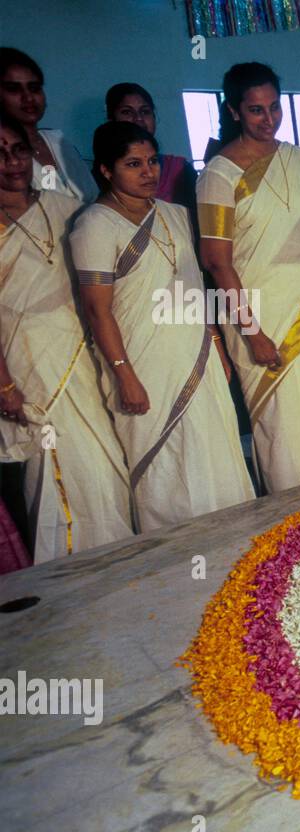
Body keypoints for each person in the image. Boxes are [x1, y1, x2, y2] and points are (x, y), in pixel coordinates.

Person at [70, 121, 253, 531]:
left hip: (196, 354)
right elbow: (99, 311)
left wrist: (218, 346)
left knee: (213, 451)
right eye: (133, 164)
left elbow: (193, 287)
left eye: (152, 161)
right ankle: (174, 559)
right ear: (105, 170)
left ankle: (232, 546)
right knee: (163, 465)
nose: (148, 171)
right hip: (142, 363)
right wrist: (124, 375)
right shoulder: (94, 225)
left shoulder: (176, 214)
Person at [197, 62, 300, 493]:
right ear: (233, 113)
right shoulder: (218, 175)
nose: (268, 120)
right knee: (283, 433)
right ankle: (290, 530)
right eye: (255, 111)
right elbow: (216, 262)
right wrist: (252, 333)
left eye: (274, 108)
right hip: (261, 319)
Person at [0, 112, 132, 561]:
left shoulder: (64, 208)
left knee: (107, 466)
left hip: (83, 353)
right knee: (62, 472)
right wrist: (4, 385)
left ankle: (117, 565)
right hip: (30, 366)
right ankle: (71, 579)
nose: (12, 162)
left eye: (18, 150)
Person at [0, 48, 96, 201]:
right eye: (14, 89)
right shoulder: (4, 155)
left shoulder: (57, 141)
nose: (28, 97)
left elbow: (86, 195)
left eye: (34, 88)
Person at [105, 83, 198, 212]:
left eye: (145, 112)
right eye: (127, 112)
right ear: (111, 119)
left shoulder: (179, 170)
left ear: (154, 118)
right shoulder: (103, 174)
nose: (138, 119)